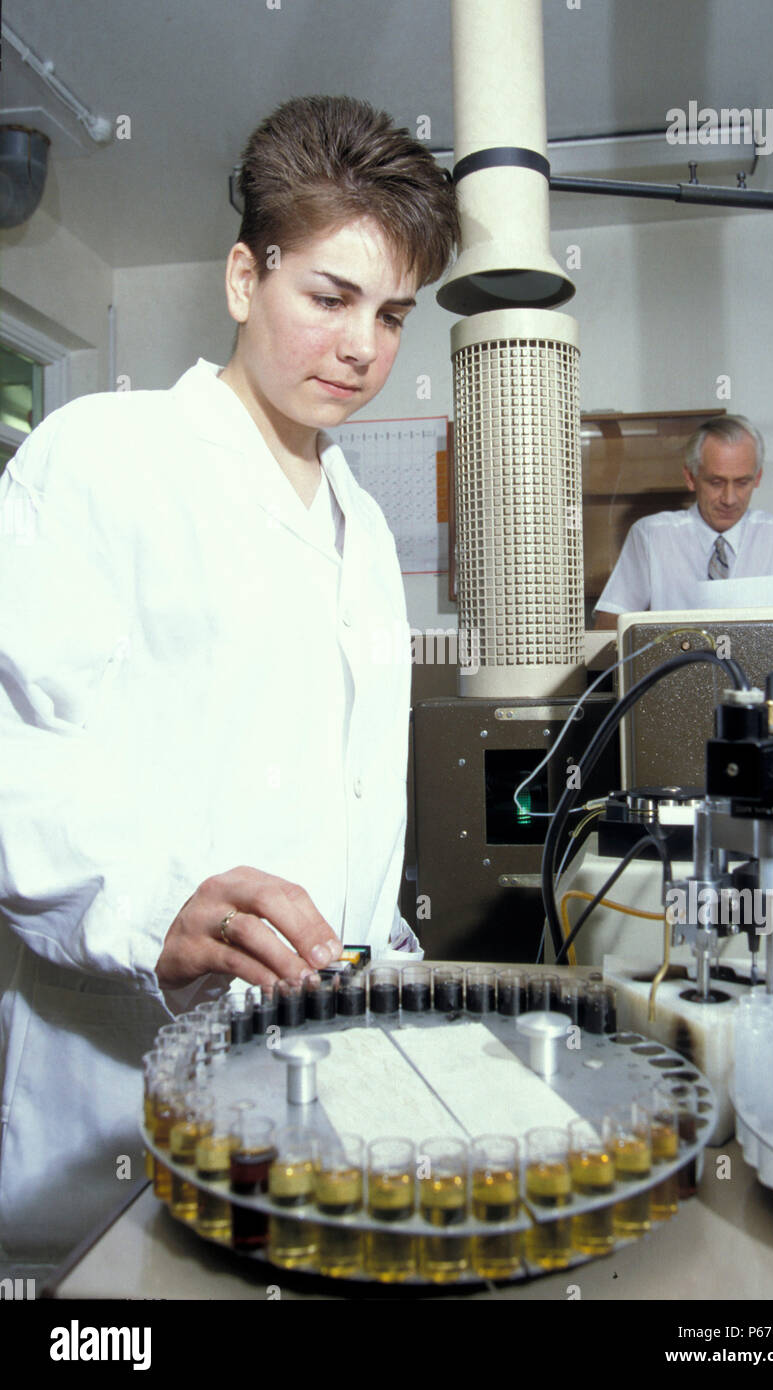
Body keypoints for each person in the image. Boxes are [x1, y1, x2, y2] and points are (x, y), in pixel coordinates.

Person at [0, 95, 458, 1276]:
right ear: (244, 277)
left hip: (313, 1085)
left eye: (393, 313)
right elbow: (20, 768)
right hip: (115, 1087)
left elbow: (354, 802)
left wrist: (391, 966)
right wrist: (159, 909)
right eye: (330, 296)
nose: (362, 345)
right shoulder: (104, 458)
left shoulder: (360, 525)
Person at [593, 415, 773, 628]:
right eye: (716, 482)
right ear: (690, 477)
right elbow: (608, 630)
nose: (729, 499)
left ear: (758, 477)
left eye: (742, 482)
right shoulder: (652, 536)